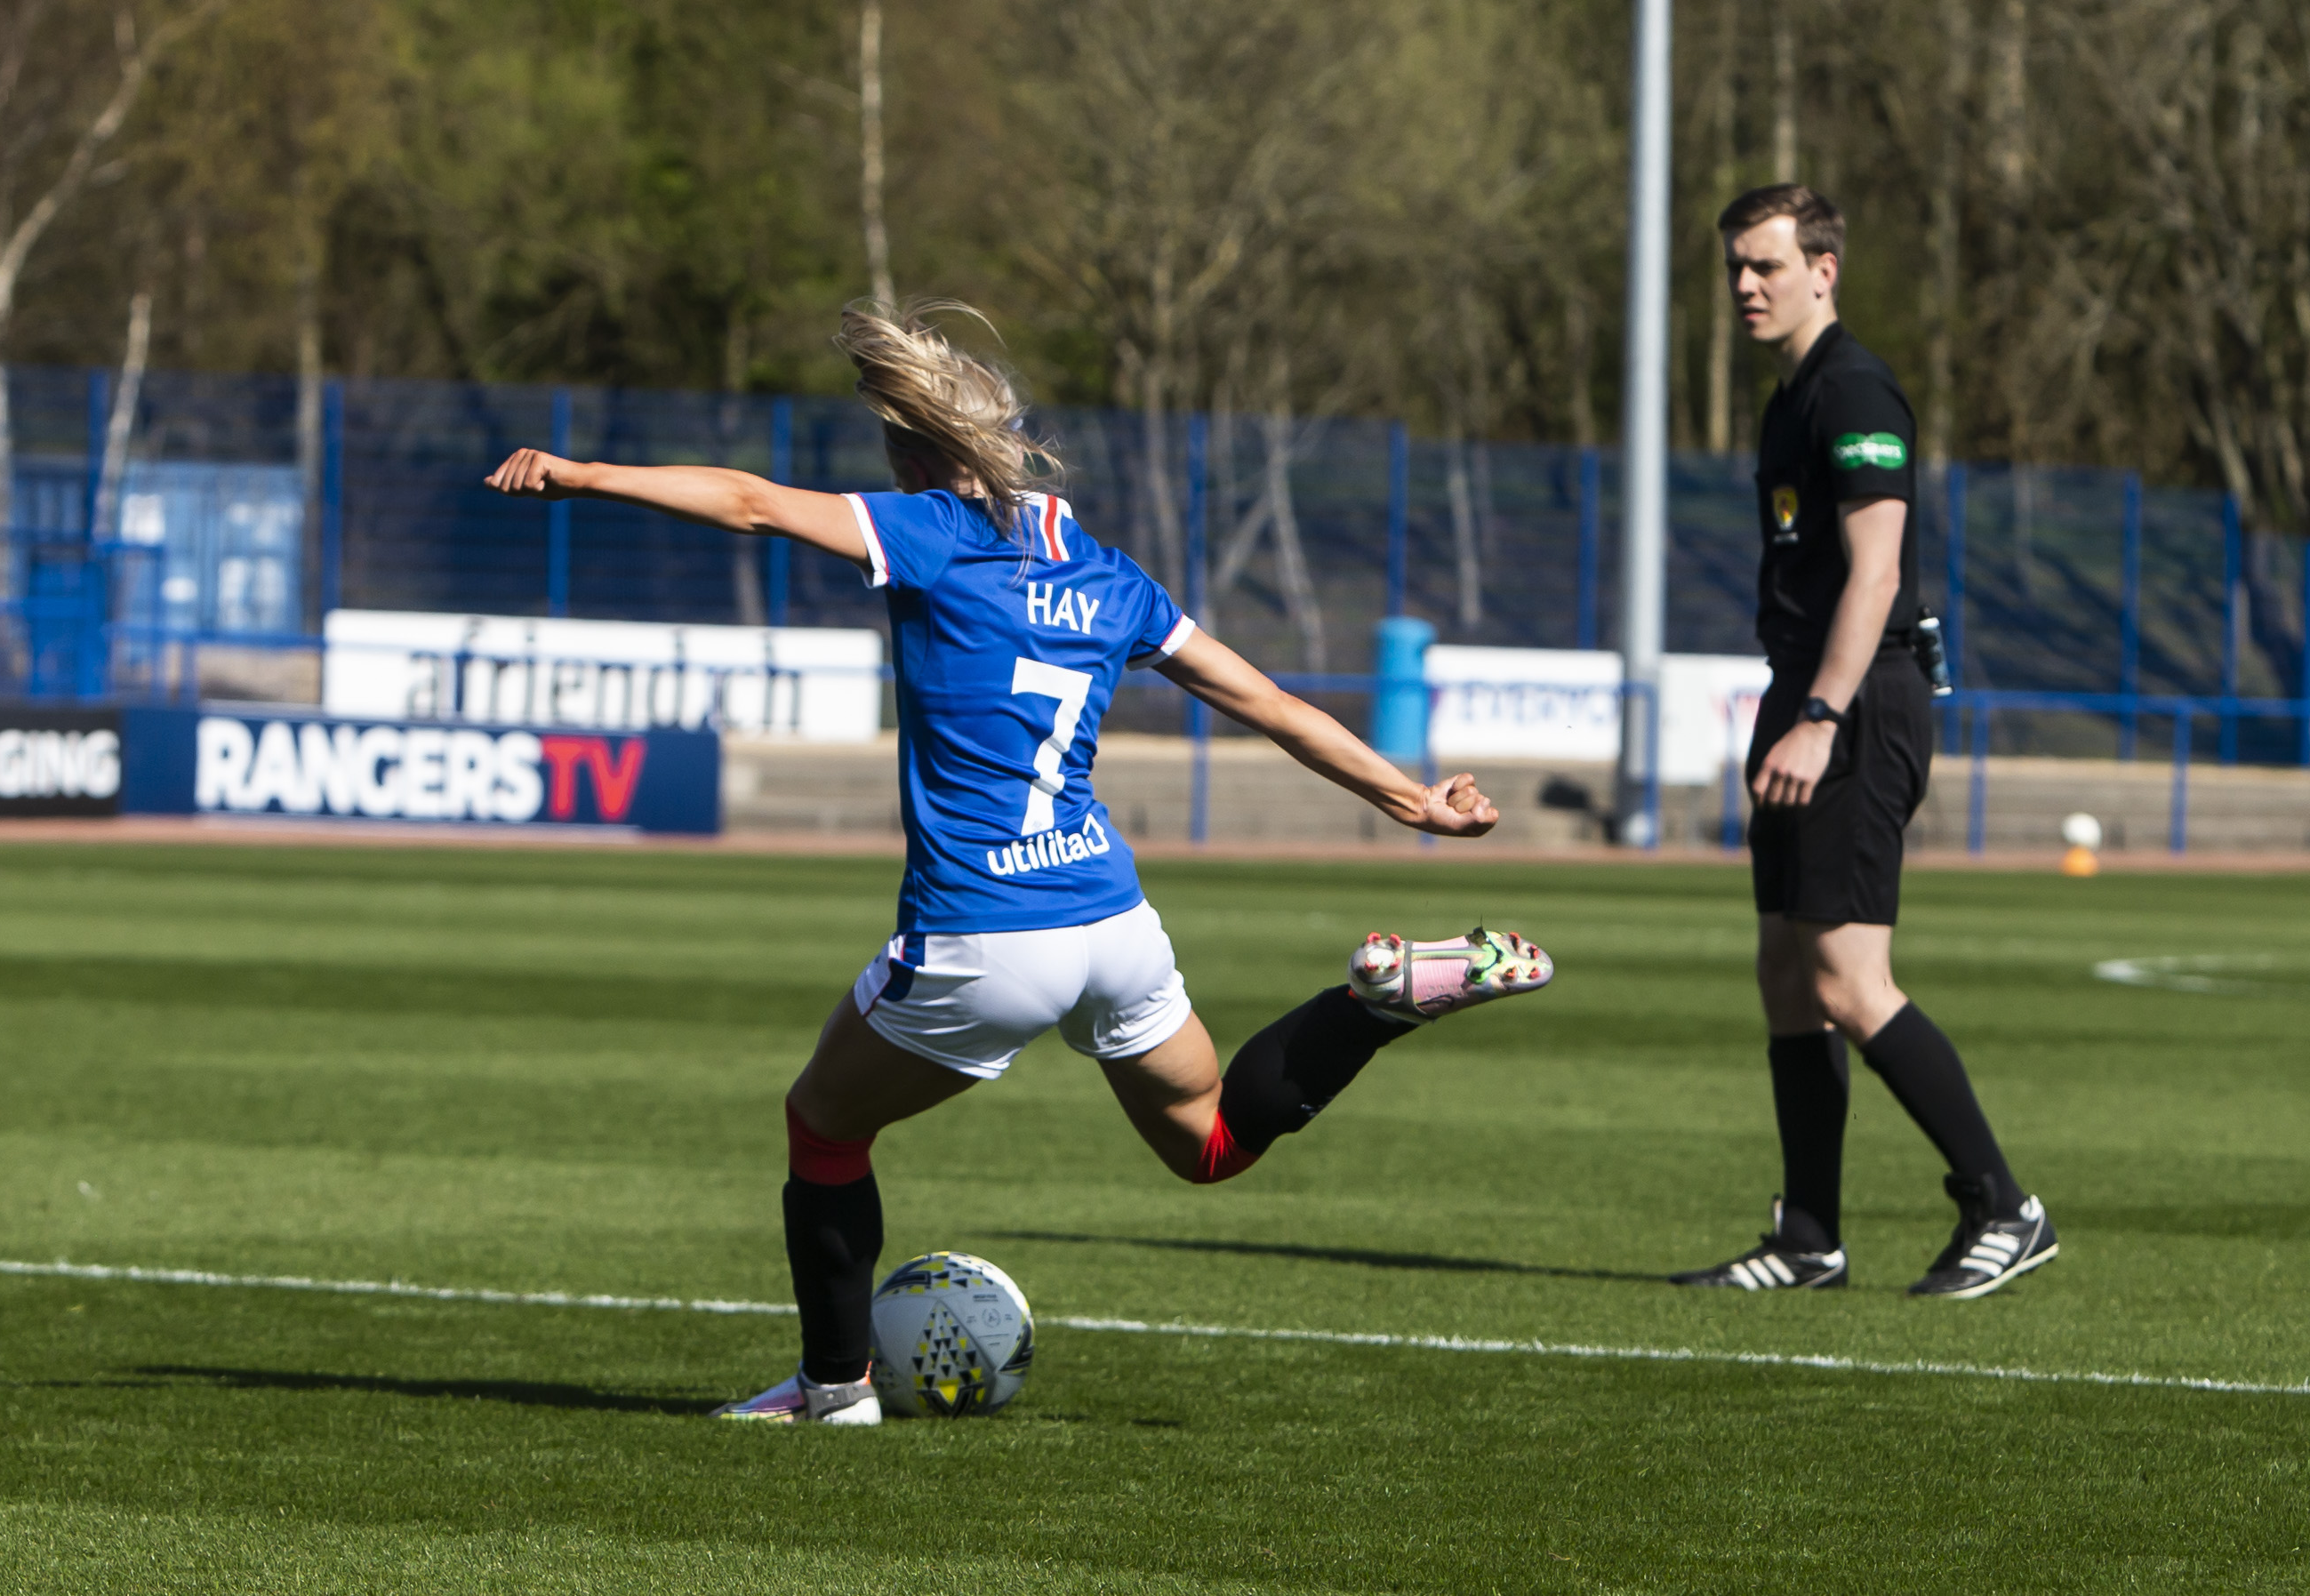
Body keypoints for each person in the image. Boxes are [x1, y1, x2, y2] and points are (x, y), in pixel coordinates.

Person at [485, 301, 1553, 1423]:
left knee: (824, 1124)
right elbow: (1271, 705)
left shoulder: (932, 533)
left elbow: (750, 503)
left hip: (983, 929)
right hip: (1109, 919)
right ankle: (1371, 1006)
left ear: (912, 449)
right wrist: (1413, 803)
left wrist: (585, 472)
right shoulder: (1110, 576)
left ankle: (833, 1389)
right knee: (1213, 1145)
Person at [1671, 186, 2057, 1299]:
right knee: (1786, 975)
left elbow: (1876, 573)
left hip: (1854, 703)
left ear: (1823, 268)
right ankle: (1808, 1238)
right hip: (1801, 696)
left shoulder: (1849, 388)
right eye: (1735, 268)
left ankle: (2002, 1203)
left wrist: (1821, 716)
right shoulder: (1786, 399)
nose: (1746, 285)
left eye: (1766, 266)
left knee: (1846, 976)